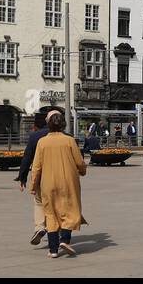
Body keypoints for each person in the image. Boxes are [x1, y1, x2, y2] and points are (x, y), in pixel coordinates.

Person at [29, 110, 87, 259]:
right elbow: (79, 161)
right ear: (63, 125)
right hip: (68, 182)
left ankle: (53, 250)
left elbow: (36, 166)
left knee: (50, 213)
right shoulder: (69, 140)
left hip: (47, 183)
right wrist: (82, 170)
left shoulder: (42, 142)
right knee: (71, 210)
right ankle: (65, 240)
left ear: (48, 125)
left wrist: (33, 185)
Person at [18, 112, 51, 246]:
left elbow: (27, 157)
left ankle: (40, 227)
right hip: (61, 176)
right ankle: (57, 229)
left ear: (36, 125)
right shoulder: (66, 136)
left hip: (41, 175)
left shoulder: (35, 136)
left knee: (39, 202)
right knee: (58, 203)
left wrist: (22, 177)